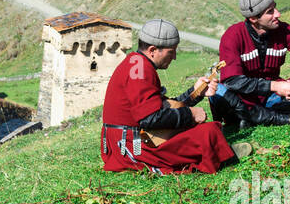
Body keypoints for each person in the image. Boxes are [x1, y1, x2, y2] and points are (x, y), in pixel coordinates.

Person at [101, 18, 249, 174]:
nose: (174, 57)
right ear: (152, 50)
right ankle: (222, 155)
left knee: (200, 130)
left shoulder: (136, 63)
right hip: (132, 148)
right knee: (208, 132)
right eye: (171, 52)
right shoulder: (140, 71)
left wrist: (196, 92)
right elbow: (151, 118)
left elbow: (164, 107)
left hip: (131, 140)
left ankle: (218, 150)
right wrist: (190, 114)